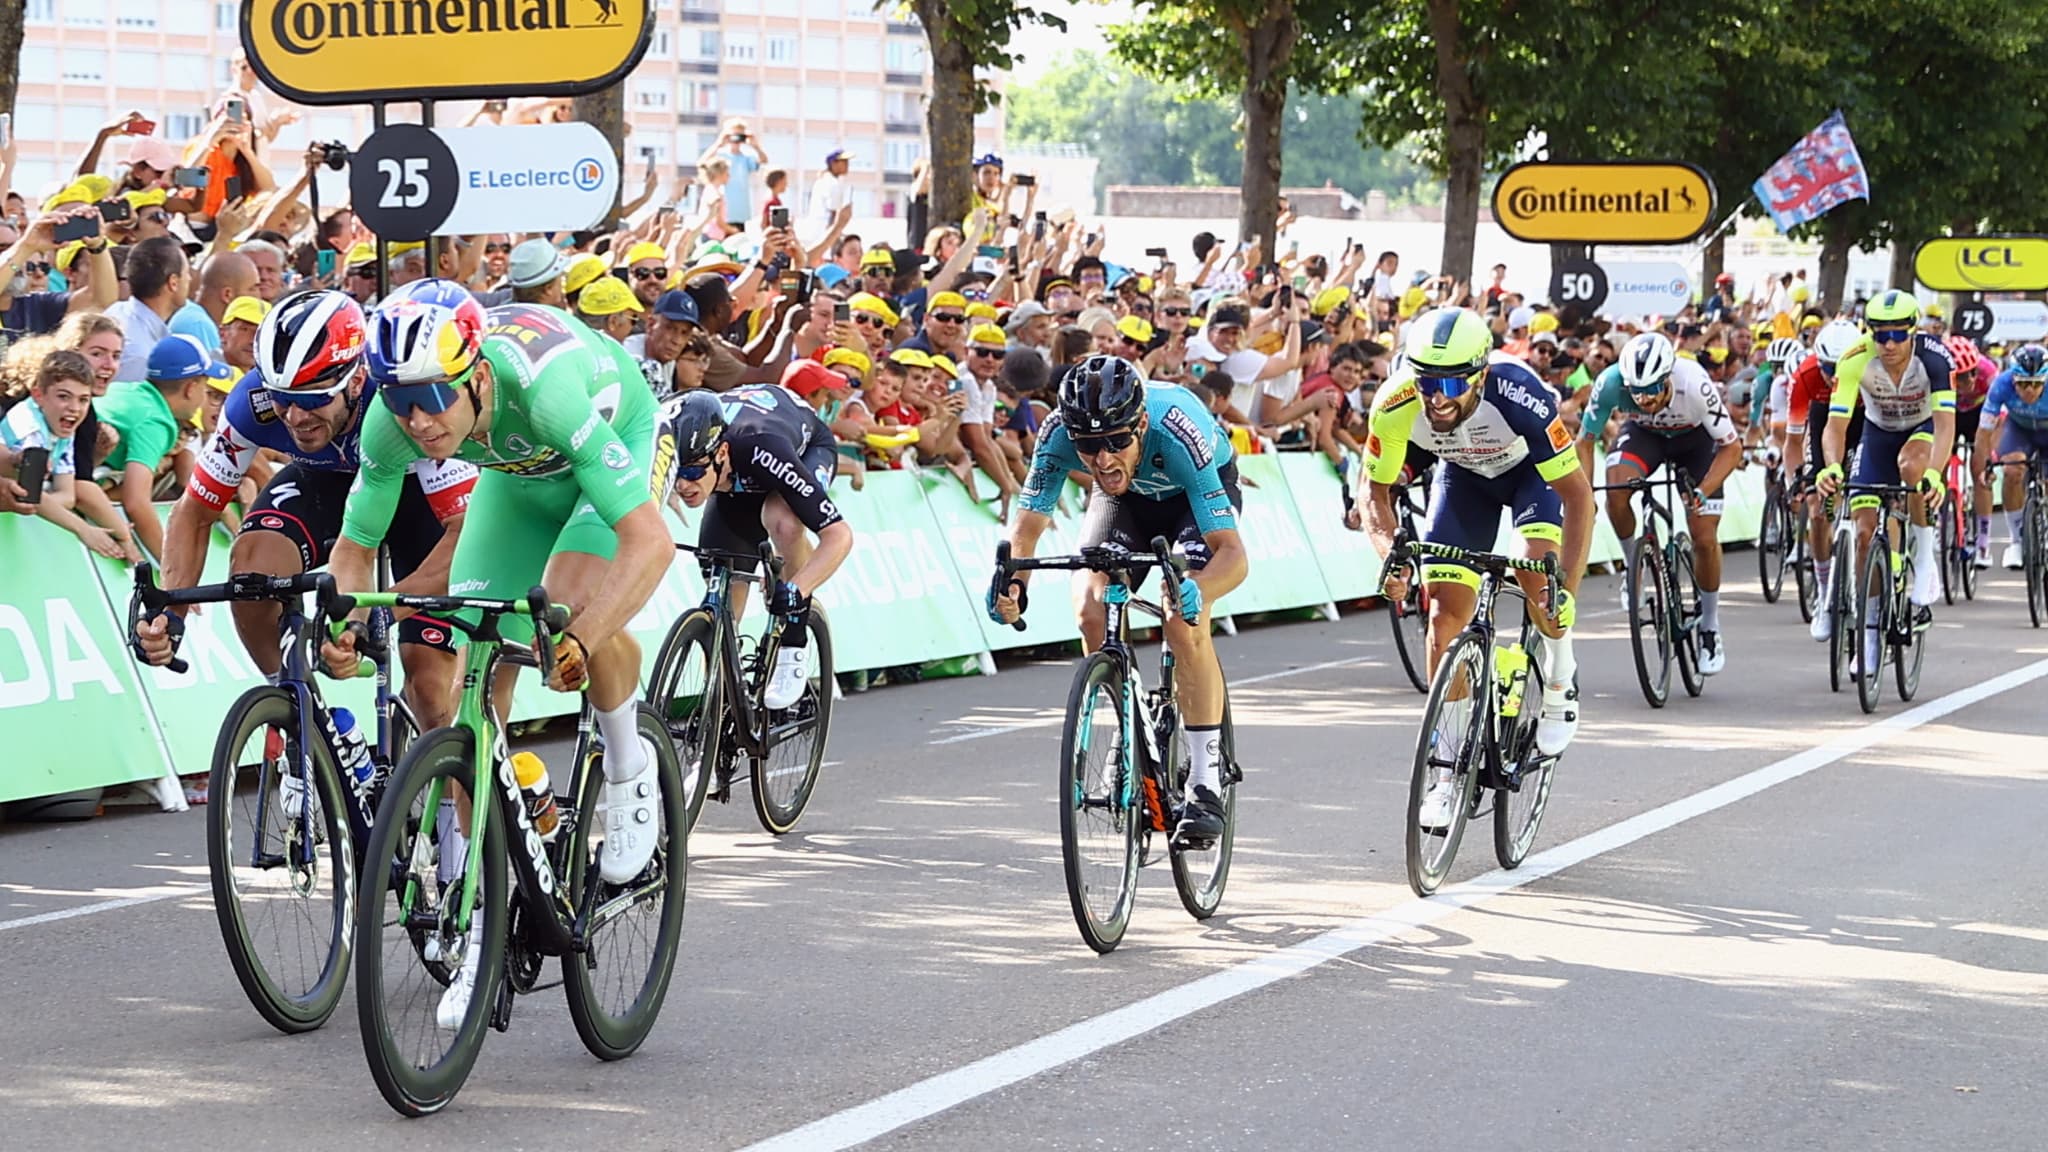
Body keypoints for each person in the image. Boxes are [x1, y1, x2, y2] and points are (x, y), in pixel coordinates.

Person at [333, 285, 673, 915]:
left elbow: (651, 542)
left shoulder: (544, 395)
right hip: (517, 480)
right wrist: (347, 618)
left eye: (433, 398)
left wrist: (585, 636)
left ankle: (630, 765)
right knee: (478, 690)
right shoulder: (392, 427)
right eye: (400, 402)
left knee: (560, 618)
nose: (419, 422)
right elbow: (355, 549)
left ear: (479, 377)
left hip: (613, 440)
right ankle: (485, 907)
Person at [133, 289, 474, 752]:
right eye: (282, 398)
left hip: (417, 497)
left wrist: (379, 615)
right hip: (324, 486)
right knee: (253, 570)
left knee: (430, 688)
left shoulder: (402, 404)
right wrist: (170, 612)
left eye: (312, 399)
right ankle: (304, 722)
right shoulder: (250, 402)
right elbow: (195, 510)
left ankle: (451, 813)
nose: (294, 416)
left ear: (355, 382)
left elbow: (463, 536)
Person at [992, 356, 1248, 845]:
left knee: (1181, 618)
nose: (1103, 459)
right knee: (1091, 606)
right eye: (1088, 447)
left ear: (1141, 423)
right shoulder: (1056, 435)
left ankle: (1205, 779)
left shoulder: (1176, 430)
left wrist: (1200, 589)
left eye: (1116, 442)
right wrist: (1013, 584)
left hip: (1191, 496)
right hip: (1124, 505)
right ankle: (1125, 726)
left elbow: (1232, 556)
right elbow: (1024, 533)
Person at [1358, 308, 1594, 827]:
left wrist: (1566, 594)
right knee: (1444, 619)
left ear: (1481, 374)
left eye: (1449, 382)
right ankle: (1446, 771)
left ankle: (1559, 679)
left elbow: (1579, 500)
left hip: (1530, 475)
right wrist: (1389, 556)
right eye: (1425, 381)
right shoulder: (1397, 402)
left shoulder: (1521, 399)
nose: (1435, 396)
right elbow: (1374, 489)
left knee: (1538, 578)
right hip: (1464, 478)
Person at [660, 379, 856, 709]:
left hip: (802, 450)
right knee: (724, 580)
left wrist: (797, 588)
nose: (682, 483)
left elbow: (839, 535)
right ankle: (723, 703)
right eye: (675, 471)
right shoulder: (693, 451)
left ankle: (793, 640)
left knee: (783, 520)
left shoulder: (760, 447)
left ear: (720, 452)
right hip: (733, 476)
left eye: (692, 471)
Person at [1576, 332, 1743, 673]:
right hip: (1644, 436)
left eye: (1652, 389)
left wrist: (1703, 491)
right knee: (1616, 491)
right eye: (1636, 391)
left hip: (1695, 442)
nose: (1644, 398)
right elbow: (1585, 441)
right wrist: (1583, 497)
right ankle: (1632, 569)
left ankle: (1710, 624)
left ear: (1668, 376)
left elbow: (1732, 448)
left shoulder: (1694, 383)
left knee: (1704, 536)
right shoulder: (1610, 384)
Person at [1816, 290, 1954, 668]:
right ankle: (1870, 635)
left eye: (1897, 334)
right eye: (1880, 335)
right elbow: (1835, 426)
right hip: (1877, 433)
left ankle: (1925, 559)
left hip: (1922, 429)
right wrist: (1831, 465)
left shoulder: (1935, 359)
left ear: (1913, 331)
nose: (1889, 343)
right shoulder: (1855, 359)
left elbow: (1945, 426)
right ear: (1869, 333)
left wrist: (1935, 475)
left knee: (1912, 467)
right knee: (1862, 533)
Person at [0, 350, 135, 557]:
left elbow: (67, 495)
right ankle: (130, 546)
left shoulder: (64, 423)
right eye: (64, 397)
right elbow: (28, 498)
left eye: (83, 400)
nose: (74, 408)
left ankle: (127, 541)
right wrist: (84, 530)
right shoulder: (29, 428)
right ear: (38, 396)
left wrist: (42, 503)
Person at [98, 334, 214, 562]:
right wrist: (173, 569)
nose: (204, 398)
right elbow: (136, 503)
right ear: (191, 388)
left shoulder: (126, 390)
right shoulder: (156, 421)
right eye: (206, 389)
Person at [1786, 320, 1864, 642]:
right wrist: (1797, 481)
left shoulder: (1872, 366)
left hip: (1866, 421)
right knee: (1818, 510)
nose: (1834, 377)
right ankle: (1823, 592)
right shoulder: (1804, 376)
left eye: (1840, 368)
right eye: (1827, 369)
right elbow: (1793, 441)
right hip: (1823, 422)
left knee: (1868, 502)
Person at [1977, 342, 2048, 572]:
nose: (2030, 391)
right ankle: (2017, 541)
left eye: (2036, 385)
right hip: (2020, 429)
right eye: (2023, 384)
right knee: (2012, 469)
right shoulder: (2001, 384)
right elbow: (1984, 430)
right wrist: (1985, 464)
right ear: (2013, 380)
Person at [107, 236, 189, 383]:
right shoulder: (140, 357)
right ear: (173, 283)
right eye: (187, 273)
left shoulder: (117, 310)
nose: (190, 279)